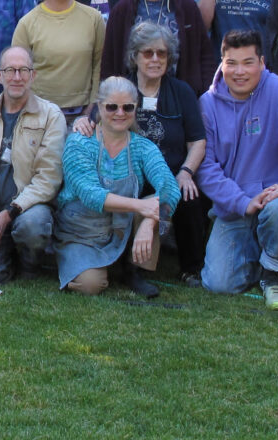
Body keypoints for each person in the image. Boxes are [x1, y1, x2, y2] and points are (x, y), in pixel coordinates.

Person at [197, 30, 278, 309]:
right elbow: (206, 167)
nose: (239, 72)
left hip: (275, 197)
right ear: (222, 63)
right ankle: (260, 252)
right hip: (234, 206)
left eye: (248, 63)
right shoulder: (207, 105)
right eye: (231, 63)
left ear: (261, 62)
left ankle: (274, 273)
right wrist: (241, 202)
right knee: (219, 283)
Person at [75, 22, 208, 284]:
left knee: (189, 194)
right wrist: (82, 121)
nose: (155, 59)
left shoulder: (181, 92)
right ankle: (126, 264)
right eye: (148, 53)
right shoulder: (119, 88)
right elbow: (94, 122)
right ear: (134, 56)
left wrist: (185, 172)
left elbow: (197, 141)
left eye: (162, 53)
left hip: (170, 175)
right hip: (125, 175)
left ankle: (191, 267)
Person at [56, 76, 180, 297]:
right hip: (81, 234)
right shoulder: (79, 143)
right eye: (112, 106)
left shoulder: (143, 147)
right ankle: (90, 266)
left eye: (127, 107)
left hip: (122, 229)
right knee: (91, 286)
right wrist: (141, 207)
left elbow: (170, 188)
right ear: (99, 106)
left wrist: (149, 221)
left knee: (157, 203)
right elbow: (91, 195)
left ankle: (134, 270)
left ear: (136, 108)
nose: (120, 113)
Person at [0, 46, 66, 282]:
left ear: (33, 75)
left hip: (26, 211)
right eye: (10, 70)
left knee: (33, 226)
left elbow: (48, 179)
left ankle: (29, 264)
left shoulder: (51, 116)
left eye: (23, 70)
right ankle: (5, 255)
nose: (17, 77)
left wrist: (7, 215)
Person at [100, 0, 216, 95]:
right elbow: (109, 61)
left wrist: (204, 94)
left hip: (179, 96)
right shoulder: (122, 11)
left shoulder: (187, 7)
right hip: (130, 98)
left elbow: (204, 55)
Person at [11, 0, 106, 120]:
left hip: (83, 114)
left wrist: (93, 105)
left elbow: (99, 64)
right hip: (39, 113)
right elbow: (16, 70)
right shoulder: (27, 23)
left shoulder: (93, 18)